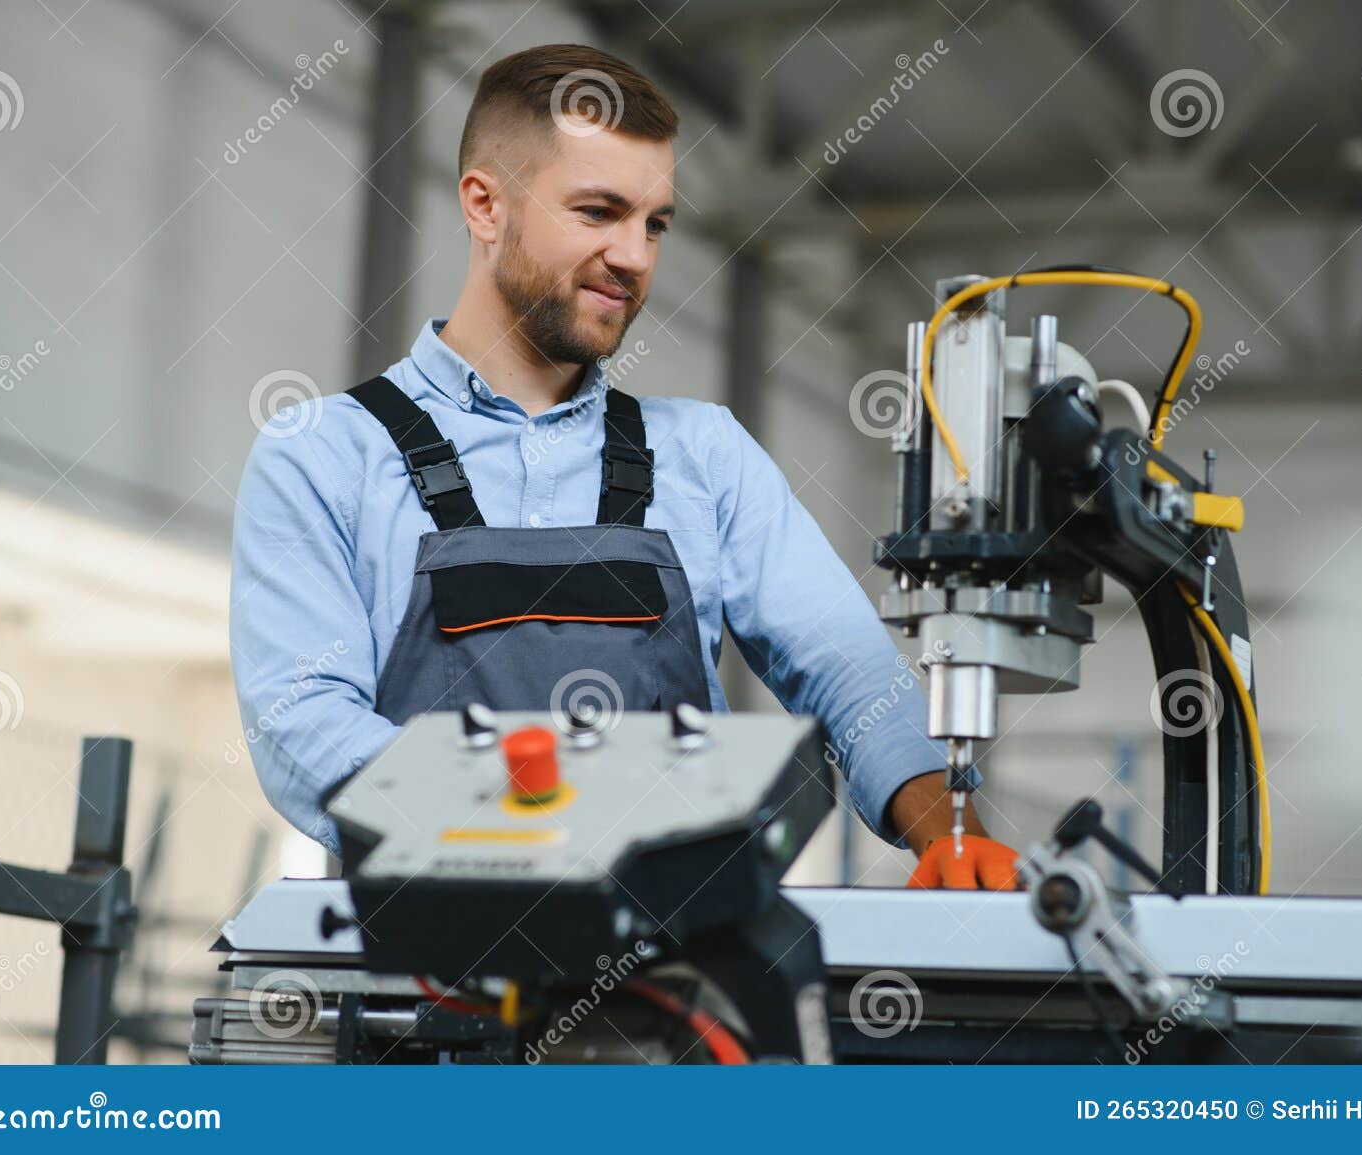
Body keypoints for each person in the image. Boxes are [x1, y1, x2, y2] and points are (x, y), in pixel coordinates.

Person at [229, 42, 1019, 890]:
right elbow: (304, 724)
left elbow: (846, 667)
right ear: (486, 205)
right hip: (418, 995)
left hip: (682, 989)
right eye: (599, 212)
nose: (637, 258)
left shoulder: (706, 457)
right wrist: (541, 830)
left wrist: (945, 827)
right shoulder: (323, 455)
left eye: (655, 224)